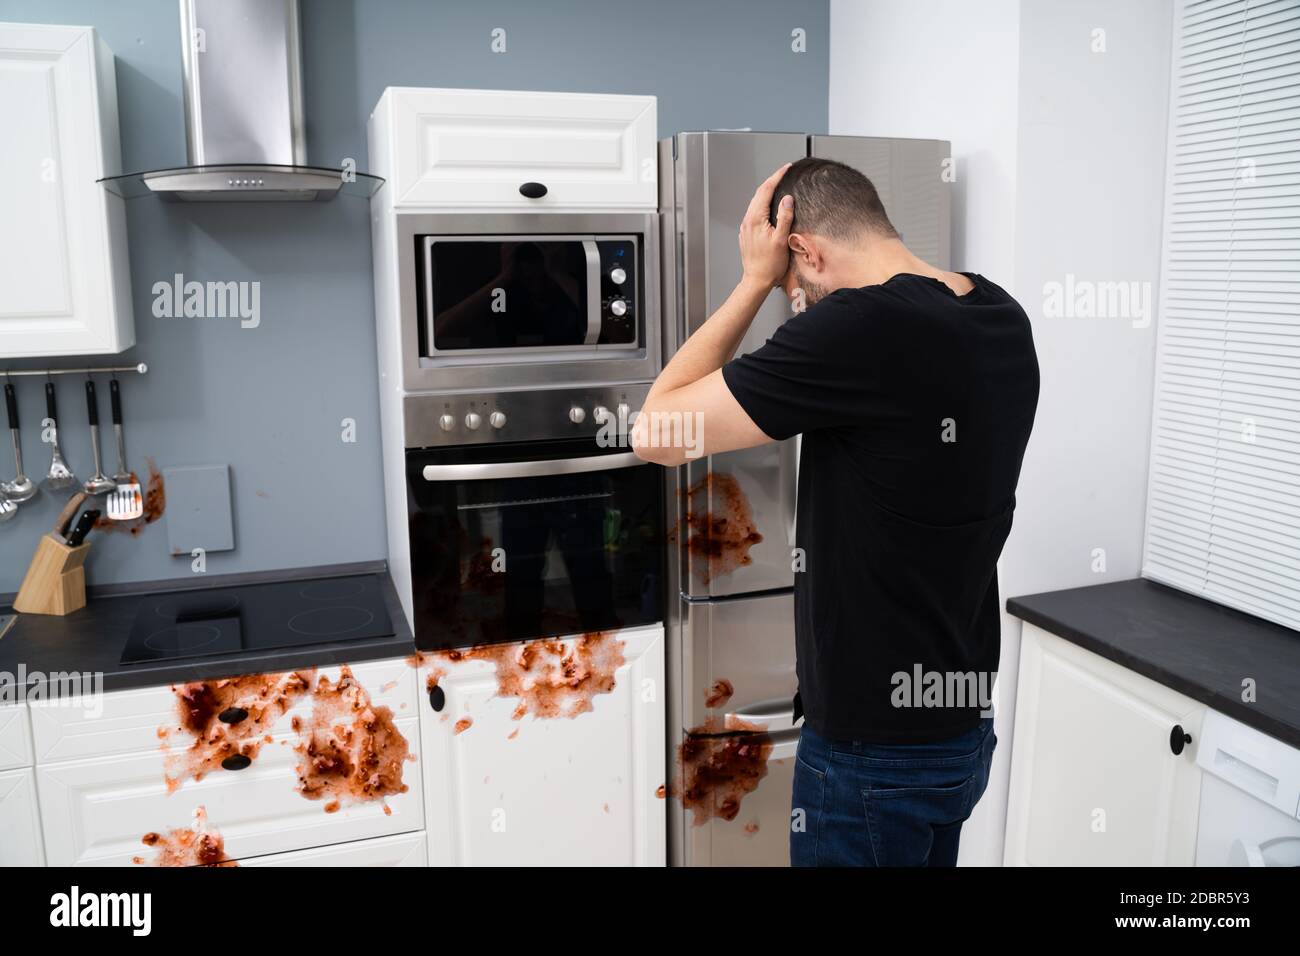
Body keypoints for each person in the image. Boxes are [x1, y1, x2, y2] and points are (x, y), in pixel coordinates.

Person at [631, 158, 1039, 866]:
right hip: (961, 730)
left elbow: (654, 430)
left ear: (805, 249)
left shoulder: (859, 327)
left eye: (795, 288)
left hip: (869, 757)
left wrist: (754, 279)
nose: (798, 304)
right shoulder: (1000, 312)